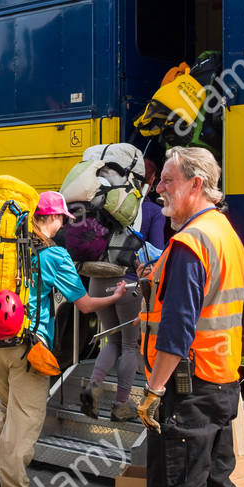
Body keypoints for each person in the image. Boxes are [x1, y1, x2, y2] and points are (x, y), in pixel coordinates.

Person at [123, 146, 244, 487]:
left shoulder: (191, 243)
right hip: (221, 386)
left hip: (187, 391)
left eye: (168, 180)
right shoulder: (225, 234)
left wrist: (152, 390)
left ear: (195, 184)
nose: (159, 189)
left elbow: (177, 331)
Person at [0, 191, 127, 487]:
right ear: (53, 218)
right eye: (62, 220)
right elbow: (84, 305)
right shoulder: (53, 255)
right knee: (25, 419)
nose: (63, 227)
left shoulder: (6, 245)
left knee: (6, 409)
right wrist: (115, 298)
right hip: (27, 348)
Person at [81, 165, 167, 422]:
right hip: (128, 284)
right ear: (150, 180)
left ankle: (92, 391)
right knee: (130, 345)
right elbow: (157, 253)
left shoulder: (106, 206)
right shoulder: (152, 210)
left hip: (97, 279)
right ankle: (121, 406)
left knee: (111, 340)